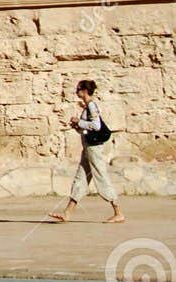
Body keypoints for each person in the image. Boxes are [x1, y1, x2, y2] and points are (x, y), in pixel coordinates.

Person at [49, 80, 124, 224]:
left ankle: (118, 212)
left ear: (84, 91)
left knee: (101, 176)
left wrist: (79, 121)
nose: (76, 92)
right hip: (88, 148)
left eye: (78, 89)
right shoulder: (87, 107)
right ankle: (67, 212)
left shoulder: (91, 105)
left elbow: (96, 126)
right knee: (81, 179)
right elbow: (87, 130)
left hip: (94, 149)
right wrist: (78, 127)